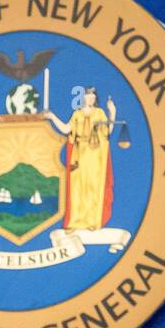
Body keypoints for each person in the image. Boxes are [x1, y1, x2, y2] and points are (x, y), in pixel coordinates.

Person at [42, 86, 116, 231]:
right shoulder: (77, 114)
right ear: (84, 98)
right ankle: (76, 221)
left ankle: (92, 221)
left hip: (94, 156)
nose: (90, 98)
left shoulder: (99, 113)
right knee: (77, 188)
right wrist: (52, 117)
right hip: (79, 156)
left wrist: (113, 112)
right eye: (88, 96)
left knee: (93, 187)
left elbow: (107, 131)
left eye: (93, 96)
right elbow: (65, 129)